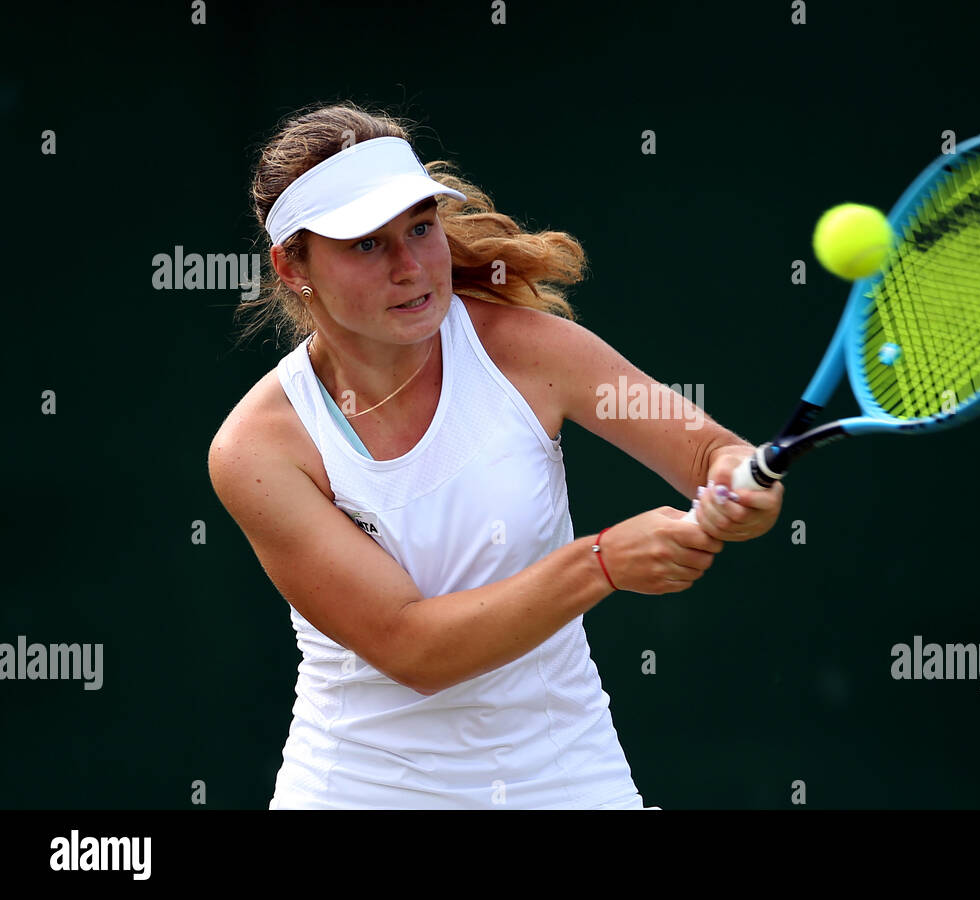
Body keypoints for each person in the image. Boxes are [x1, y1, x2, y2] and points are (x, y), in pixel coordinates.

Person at [208, 101, 784, 809]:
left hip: (567, 781)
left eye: (421, 228)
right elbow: (411, 647)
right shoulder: (259, 448)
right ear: (293, 266)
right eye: (366, 244)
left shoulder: (528, 349)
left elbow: (711, 457)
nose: (410, 266)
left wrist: (739, 487)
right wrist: (600, 562)